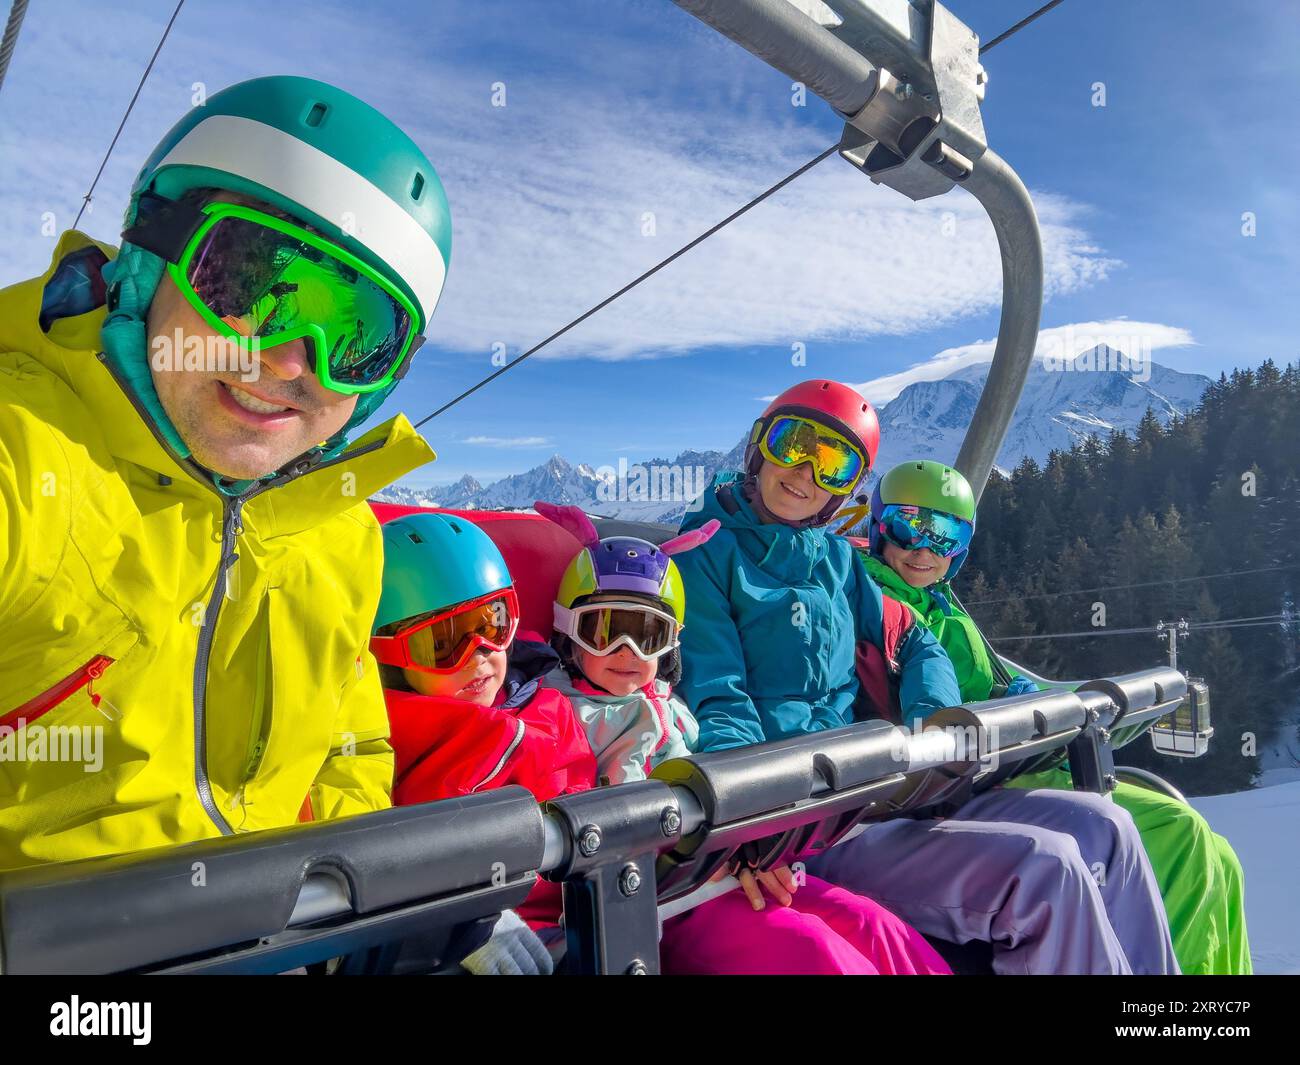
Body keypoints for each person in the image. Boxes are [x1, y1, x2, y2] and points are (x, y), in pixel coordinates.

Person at [0, 76, 449, 868]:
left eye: (354, 335)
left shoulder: (340, 533)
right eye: (246, 282)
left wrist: (360, 906)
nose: (285, 360)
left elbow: (350, 743)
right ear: (148, 258)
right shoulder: (28, 460)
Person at [673, 379, 1180, 974]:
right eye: (794, 445)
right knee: (1049, 871)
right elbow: (719, 695)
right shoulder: (701, 556)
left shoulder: (837, 561)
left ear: (848, 489)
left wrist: (931, 727)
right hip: (803, 819)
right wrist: (753, 827)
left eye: (833, 462)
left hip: (871, 788)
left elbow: (914, 639)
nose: (806, 472)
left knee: (1108, 828)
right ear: (760, 448)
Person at [858, 458, 1251, 975]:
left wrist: (1039, 698)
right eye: (910, 527)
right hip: (980, 773)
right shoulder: (874, 601)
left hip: (1020, 754)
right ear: (880, 525)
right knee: (1179, 835)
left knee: (1219, 855)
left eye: (946, 536)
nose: (925, 550)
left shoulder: (943, 604)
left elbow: (997, 680)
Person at [535, 501, 951, 975]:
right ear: (568, 631)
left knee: (871, 923)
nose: (627, 653)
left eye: (649, 635)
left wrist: (749, 844)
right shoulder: (559, 716)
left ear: (673, 643)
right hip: (660, 901)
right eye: (605, 631)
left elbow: (718, 768)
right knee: (809, 949)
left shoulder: (674, 707)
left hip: (727, 868)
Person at [371, 512, 597, 975]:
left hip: (566, 912)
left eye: (492, 624)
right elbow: (380, 852)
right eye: (443, 642)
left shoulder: (549, 711)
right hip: (451, 931)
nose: (478, 656)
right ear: (391, 658)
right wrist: (459, 918)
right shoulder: (390, 738)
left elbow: (588, 808)